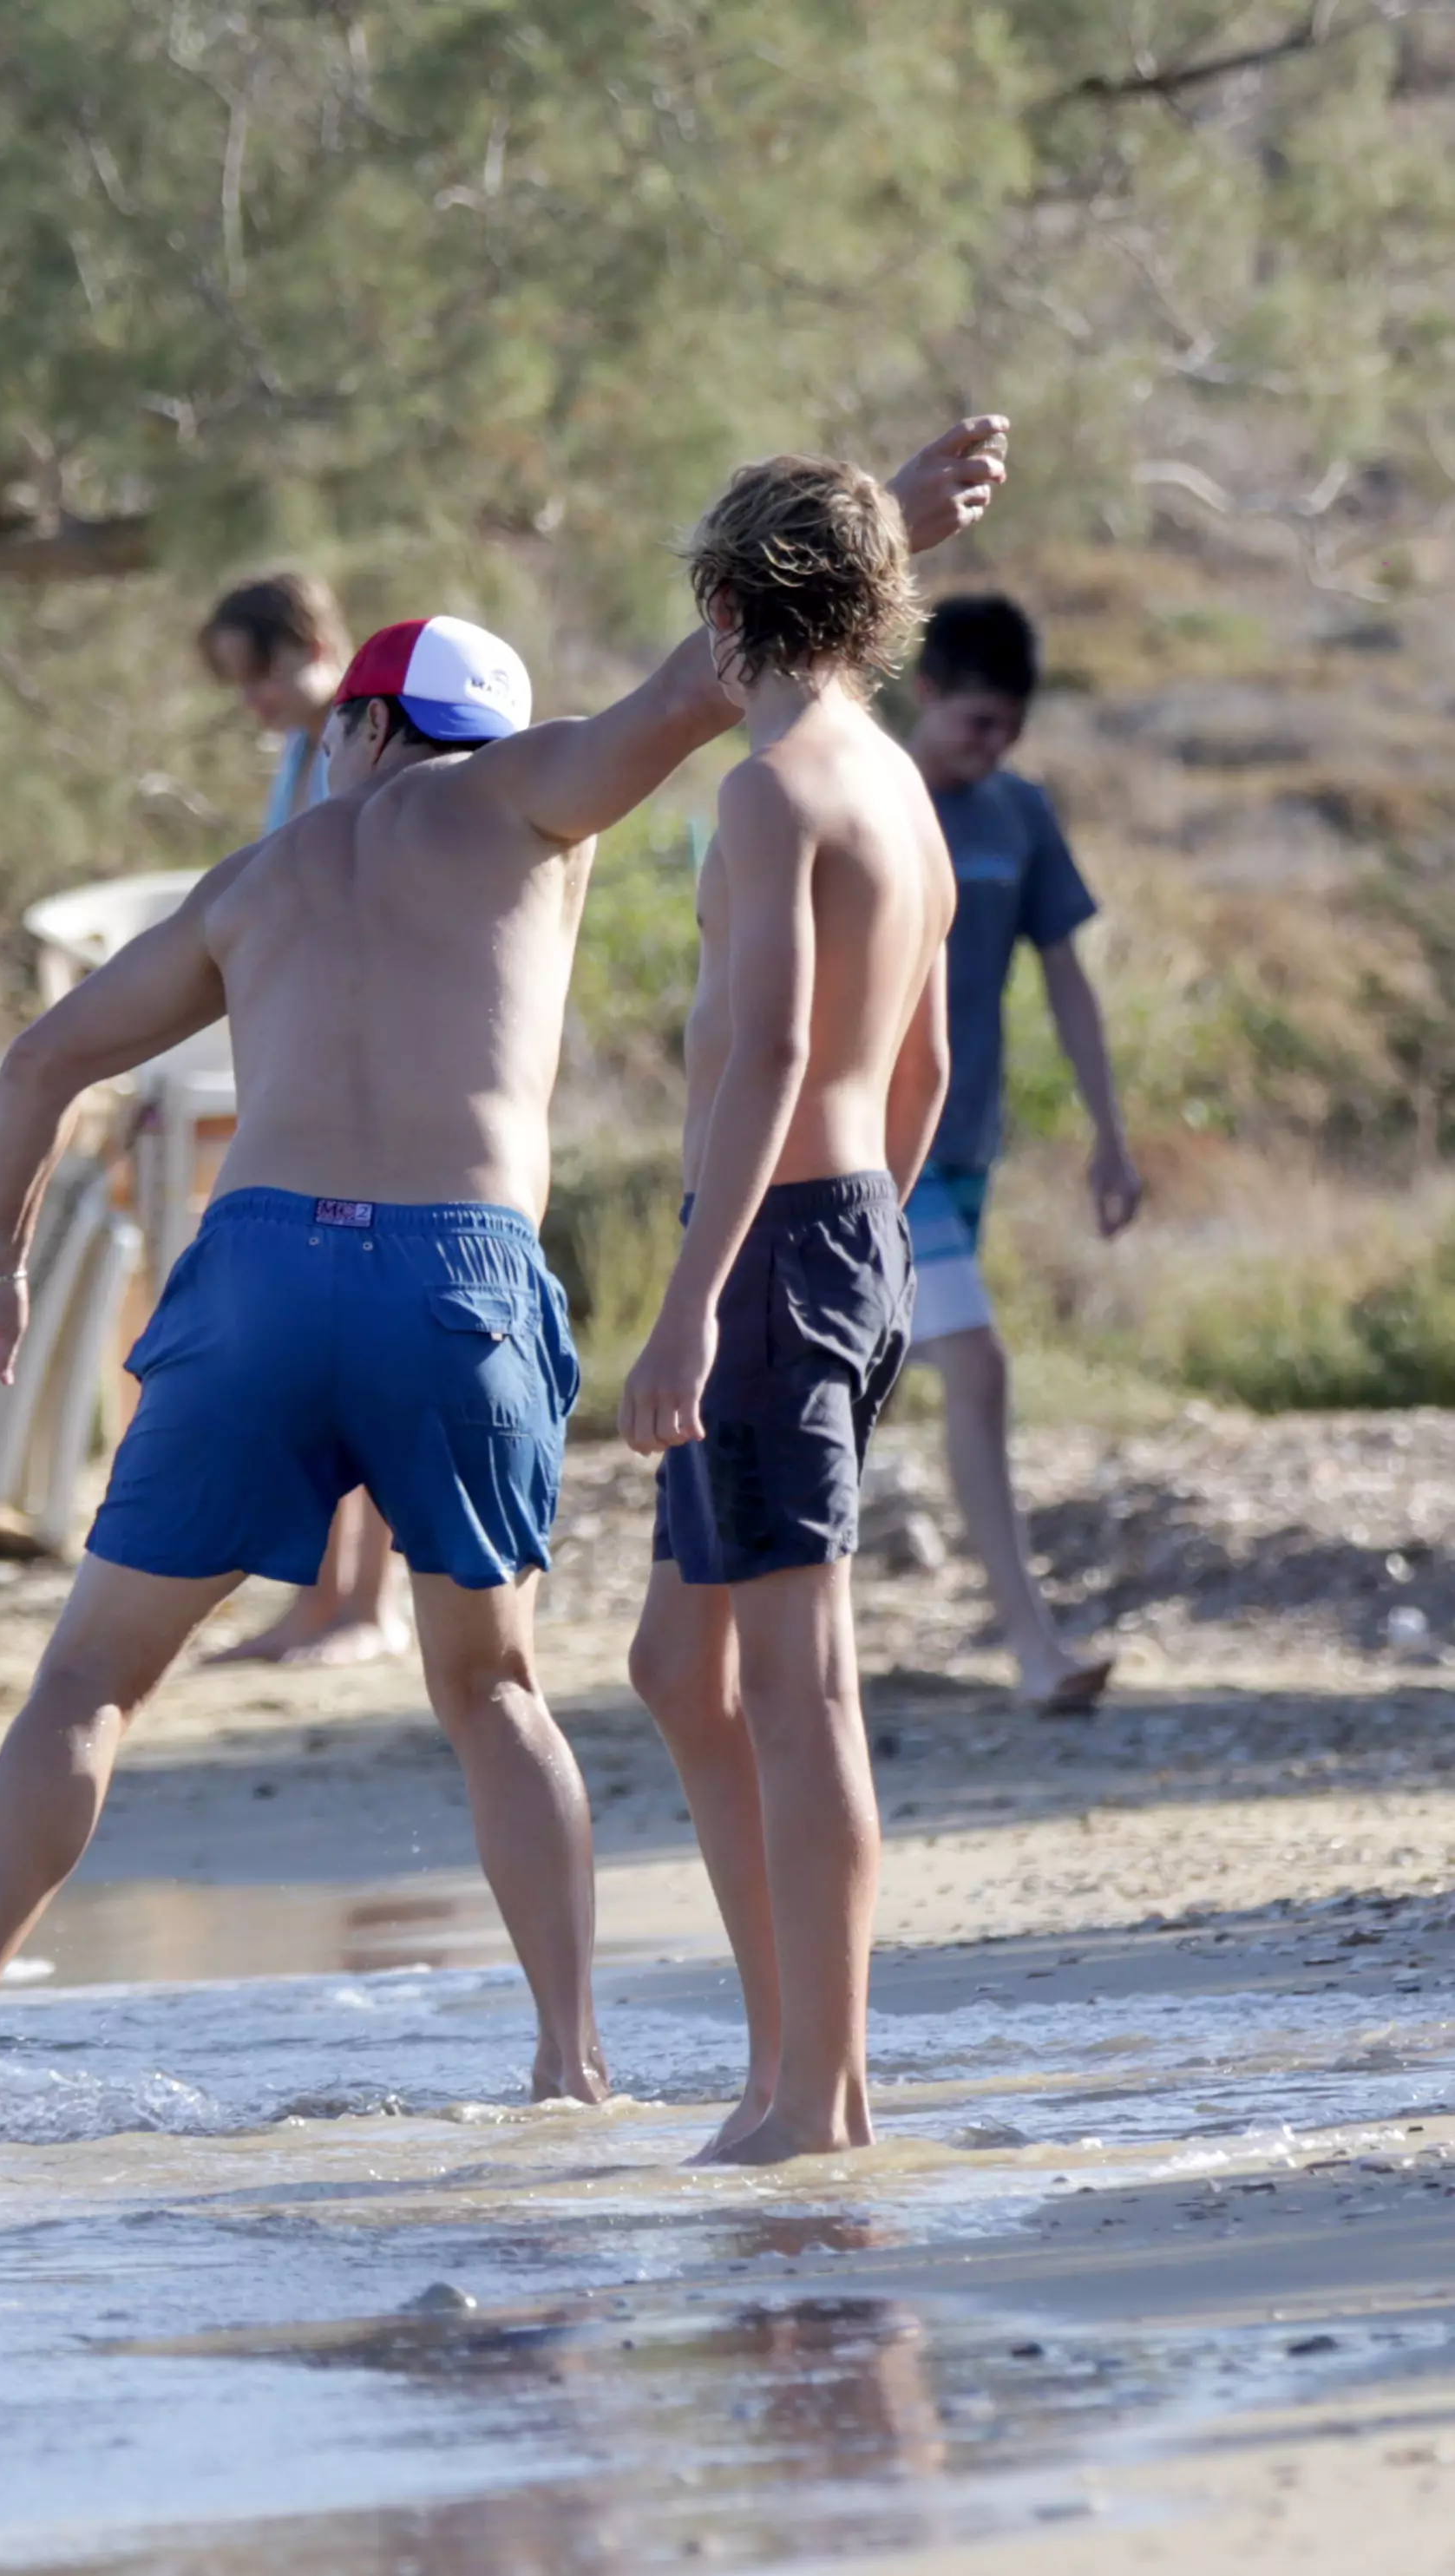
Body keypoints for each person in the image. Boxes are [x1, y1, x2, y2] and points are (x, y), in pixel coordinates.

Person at [0, 418, 1009, 2132]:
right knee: (494, 1687)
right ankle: (571, 2053)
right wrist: (879, 536)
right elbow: (713, 686)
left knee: (88, 1678)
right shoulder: (537, 805)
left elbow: (38, 1057)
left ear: (360, 724)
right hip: (457, 1284)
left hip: (254, 1279)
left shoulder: (254, 879)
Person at [619, 456, 967, 2169]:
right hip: (851, 1232)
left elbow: (765, 1053)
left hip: (767, 1246)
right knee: (680, 1661)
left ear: (730, 602)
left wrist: (694, 1300)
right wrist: (871, 1237)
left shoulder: (775, 793)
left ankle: (820, 2100)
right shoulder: (898, 784)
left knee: (796, 1678)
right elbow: (928, 1062)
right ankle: (782, 2064)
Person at [902, 596, 1137, 1711]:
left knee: (866, 1381)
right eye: (977, 723)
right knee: (979, 1367)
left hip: (966, 1144)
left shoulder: (1019, 815)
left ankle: (747, 1636)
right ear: (926, 692)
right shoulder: (866, 799)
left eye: (1010, 729)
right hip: (868, 1151)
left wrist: (1109, 1135)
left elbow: (1066, 978)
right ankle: (1034, 1647)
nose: (992, 748)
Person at [196, 574, 410, 1668]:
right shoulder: (303, 761)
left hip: (373, 1108)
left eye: (264, 673)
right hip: (310, 1093)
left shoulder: (375, 757)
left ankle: (368, 1605)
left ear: (317, 647)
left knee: (361, 1355)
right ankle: (318, 1600)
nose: (257, 701)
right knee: (313, 1362)